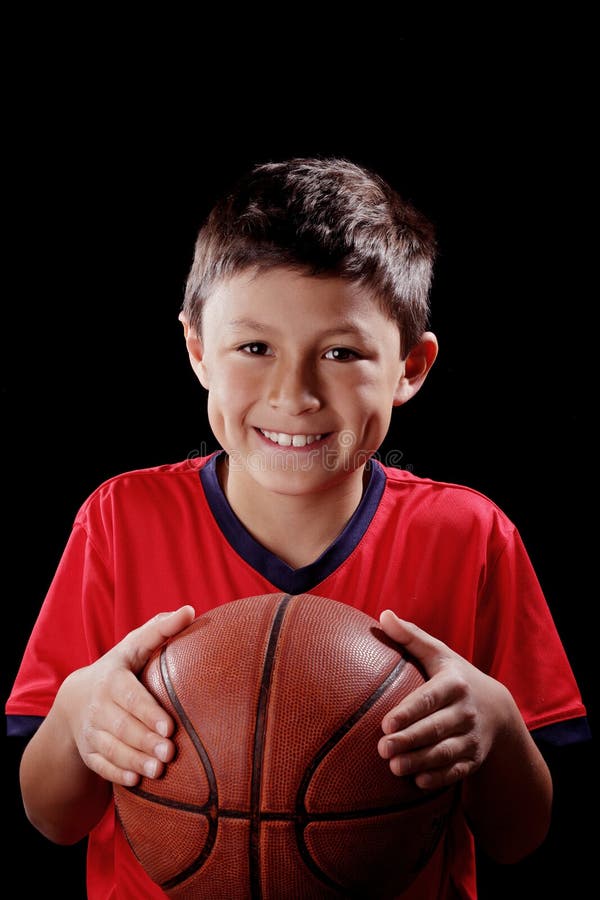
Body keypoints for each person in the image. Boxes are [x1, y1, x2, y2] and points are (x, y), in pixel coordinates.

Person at [5, 157, 590, 899]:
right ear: (197, 350)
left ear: (410, 366)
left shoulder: (470, 534)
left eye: (342, 354)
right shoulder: (121, 521)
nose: (295, 394)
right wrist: (81, 711)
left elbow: (520, 838)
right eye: (255, 348)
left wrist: (498, 725)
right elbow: (51, 817)